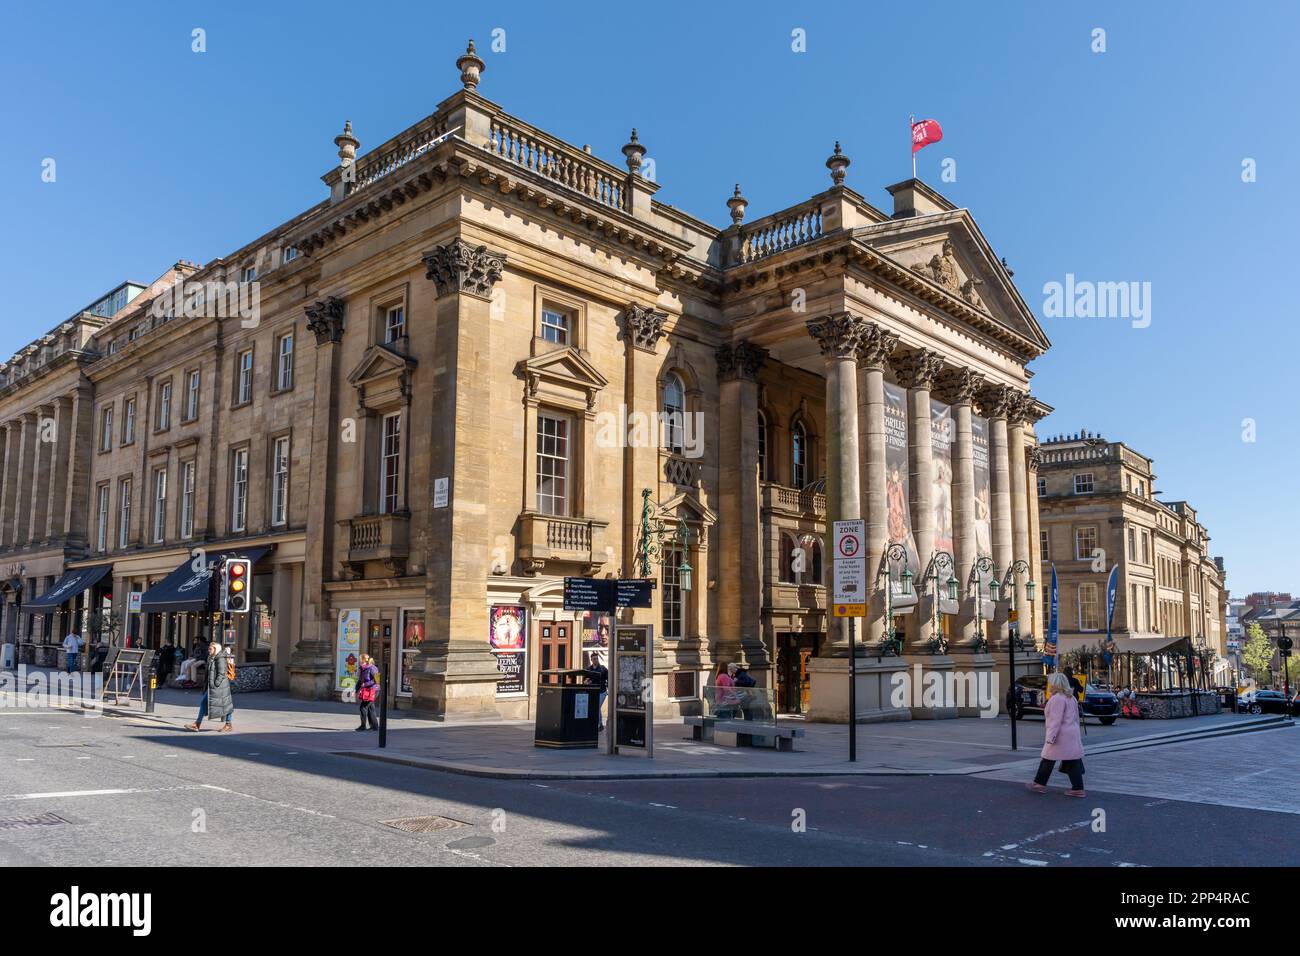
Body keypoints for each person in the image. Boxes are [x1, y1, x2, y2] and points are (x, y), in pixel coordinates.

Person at [1027, 672, 1085, 797]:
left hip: (1060, 734)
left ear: (1055, 684)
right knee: (1072, 760)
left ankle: (1039, 784)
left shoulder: (1057, 698)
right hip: (1072, 732)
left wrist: (1050, 737)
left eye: (1050, 682)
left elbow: (1055, 720)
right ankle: (1078, 788)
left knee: (1048, 758)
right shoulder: (1071, 697)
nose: (1049, 684)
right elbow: (1076, 717)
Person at [186, 642, 234, 732]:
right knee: (206, 703)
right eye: (209, 649)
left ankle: (228, 724)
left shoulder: (220, 658)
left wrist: (216, 684)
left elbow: (222, 673)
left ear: (216, 649)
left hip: (220, 686)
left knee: (226, 705)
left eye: (210, 649)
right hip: (212, 686)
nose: (208, 650)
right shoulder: (211, 658)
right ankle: (197, 724)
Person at [356, 653, 380, 731]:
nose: (359, 662)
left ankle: (363, 726)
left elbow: (377, 680)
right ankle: (374, 726)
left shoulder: (373, 668)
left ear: (364, 660)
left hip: (374, 690)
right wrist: (355, 690)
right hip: (367, 690)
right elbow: (360, 681)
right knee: (370, 708)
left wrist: (366, 684)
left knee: (363, 707)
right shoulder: (362, 669)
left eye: (360, 660)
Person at [585, 652, 609, 732]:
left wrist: (608, 689)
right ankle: (600, 725)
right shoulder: (588, 669)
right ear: (591, 660)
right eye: (594, 659)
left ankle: (598, 725)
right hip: (592, 692)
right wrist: (586, 681)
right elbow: (584, 680)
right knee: (596, 708)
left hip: (602, 692)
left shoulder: (603, 668)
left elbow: (609, 678)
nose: (596, 660)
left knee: (596, 707)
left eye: (597, 659)